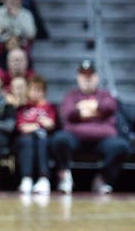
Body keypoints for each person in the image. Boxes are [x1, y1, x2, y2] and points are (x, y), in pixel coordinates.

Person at [49, 60, 130, 194]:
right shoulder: (71, 95)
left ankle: (103, 179)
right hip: (74, 137)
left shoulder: (105, 94)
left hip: (104, 138)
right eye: (83, 75)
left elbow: (110, 106)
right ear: (78, 77)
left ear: (97, 77)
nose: (87, 78)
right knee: (59, 140)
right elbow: (68, 113)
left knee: (121, 146)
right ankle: (65, 176)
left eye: (90, 75)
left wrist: (84, 109)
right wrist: (97, 111)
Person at [15, 75, 56, 195]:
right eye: (33, 89)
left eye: (39, 90)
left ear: (44, 92)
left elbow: (50, 124)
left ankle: (44, 178)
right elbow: (22, 127)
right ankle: (26, 178)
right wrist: (39, 124)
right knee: (27, 141)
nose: (36, 93)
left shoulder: (49, 107)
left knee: (43, 140)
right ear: (28, 91)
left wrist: (36, 125)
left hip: (43, 138)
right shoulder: (24, 108)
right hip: (26, 138)